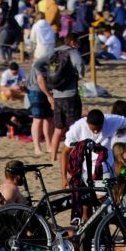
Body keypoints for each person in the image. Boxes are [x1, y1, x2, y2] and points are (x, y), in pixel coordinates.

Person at [34, 34, 85, 162]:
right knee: (74, 127)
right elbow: (79, 65)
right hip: (70, 95)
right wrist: (79, 75)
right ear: (73, 43)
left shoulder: (54, 52)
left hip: (56, 96)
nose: (78, 46)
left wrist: (46, 75)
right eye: (77, 44)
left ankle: (52, 157)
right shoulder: (72, 52)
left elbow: (37, 65)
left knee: (58, 129)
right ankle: (74, 156)